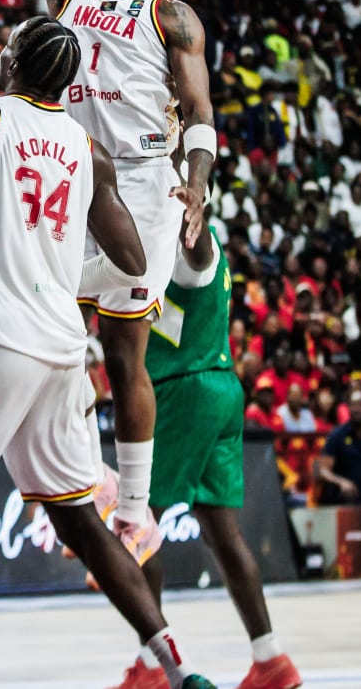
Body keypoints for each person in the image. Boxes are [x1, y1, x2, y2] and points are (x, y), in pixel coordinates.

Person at [0, 17, 216, 689]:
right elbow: (131, 259)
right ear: (68, 82)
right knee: (83, 522)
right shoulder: (84, 146)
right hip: (64, 352)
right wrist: (60, 277)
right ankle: (181, 671)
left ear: (8, 60)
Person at [0, 0, 214, 554]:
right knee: (52, 319)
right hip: (73, 173)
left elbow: (202, 112)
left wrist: (200, 187)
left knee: (120, 346)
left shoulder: (169, 13)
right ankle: (87, 477)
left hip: (142, 185)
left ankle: (134, 507)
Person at [117, 220, 299, 689]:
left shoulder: (192, 241)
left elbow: (194, 254)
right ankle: (270, 658)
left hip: (184, 388)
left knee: (139, 524)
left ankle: (152, 665)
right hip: (217, 386)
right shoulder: (172, 242)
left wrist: (185, 192)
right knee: (223, 533)